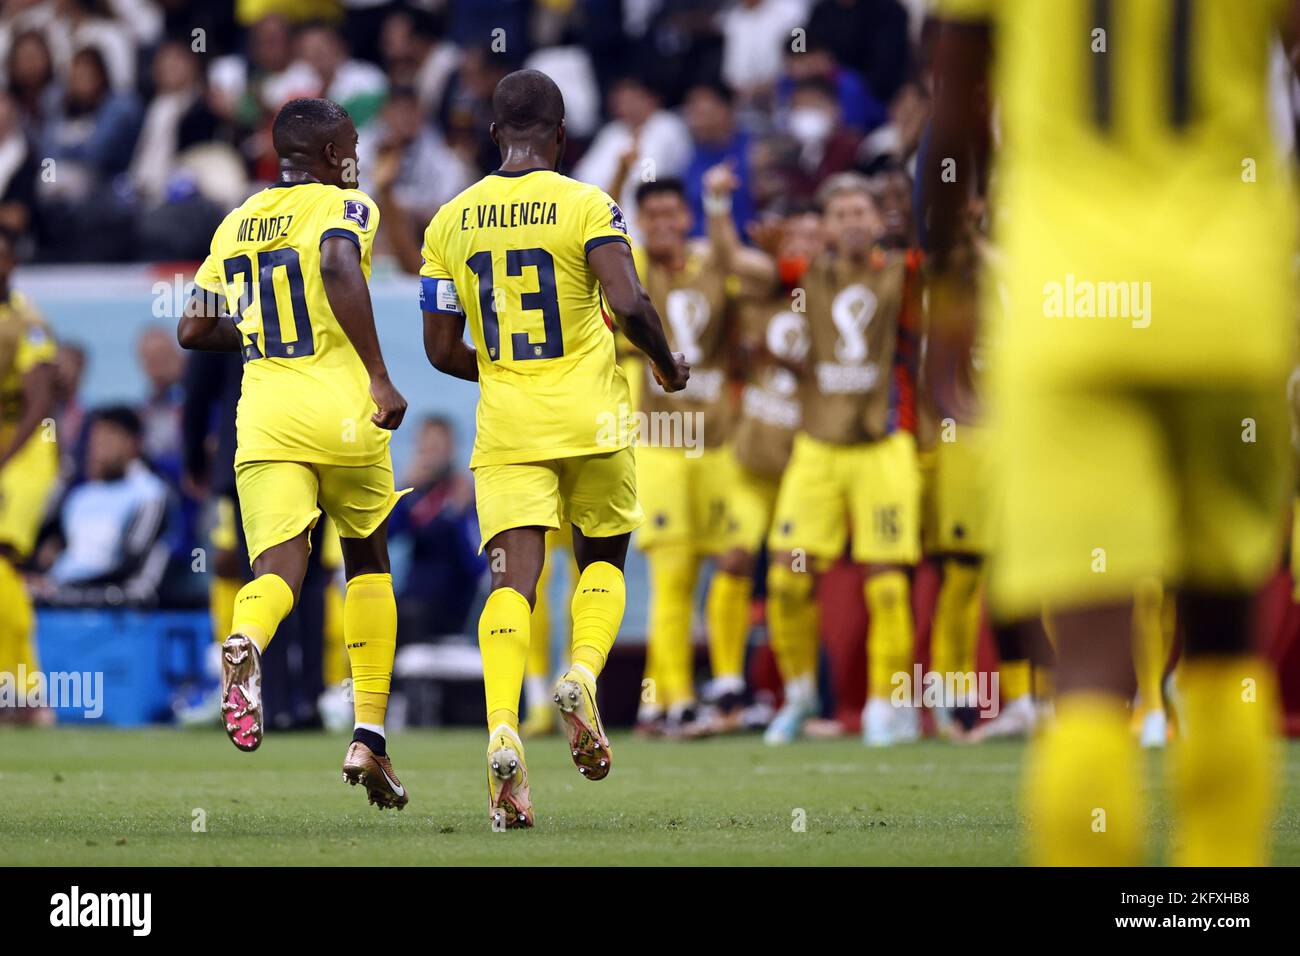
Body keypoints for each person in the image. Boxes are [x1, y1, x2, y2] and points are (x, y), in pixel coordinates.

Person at [926, 0, 1298, 865]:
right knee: (1222, 633)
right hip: (1228, 301)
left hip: (1070, 307)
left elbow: (952, 115)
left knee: (1089, 658)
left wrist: (947, 287)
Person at [420, 69, 687, 829]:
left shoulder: (449, 221)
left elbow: (440, 349)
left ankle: (504, 721)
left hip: (507, 427)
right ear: (562, 136)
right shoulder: (588, 204)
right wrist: (667, 365)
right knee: (601, 563)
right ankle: (580, 674)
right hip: (592, 422)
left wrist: (505, 370)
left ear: (494, 133)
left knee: (512, 584)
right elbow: (630, 302)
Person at [177, 97, 411, 812]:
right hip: (341, 409)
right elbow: (340, 264)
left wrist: (257, 333)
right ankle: (367, 731)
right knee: (367, 561)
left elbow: (193, 326)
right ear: (333, 151)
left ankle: (246, 637)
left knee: (278, 567)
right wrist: (376, 371)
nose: (359, 155)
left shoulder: (237, 220)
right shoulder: (348, 206)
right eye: (353, 143)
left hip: (266, 416)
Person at [765, 172, 922, 747]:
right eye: (842, 214)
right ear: (825, 226)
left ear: (878, 219)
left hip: (883, 446)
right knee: (786, 579)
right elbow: (749, 266)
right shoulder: (803, 276)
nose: (853, 221)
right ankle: (800, 696)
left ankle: (887, 706)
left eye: (862, 211)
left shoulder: (907, 270)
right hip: (817, 449)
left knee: (885, 586)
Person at [627, 176, 741, 736]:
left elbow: (745, 270)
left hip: (718, 445)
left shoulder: (713, 264)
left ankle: (718, 689)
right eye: (655, 216)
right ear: (641, 221)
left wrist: (720, 206)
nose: (665, 224)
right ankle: (675, 699)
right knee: (671, 575)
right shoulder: (628, 273)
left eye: (675, 213)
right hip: (661, 445)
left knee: (721, 567)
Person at [0, 226, 57, 720]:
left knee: (3, 554)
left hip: (27, 449)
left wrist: (4, 459)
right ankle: (20, 693)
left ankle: (24, 692)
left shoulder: (26, 321)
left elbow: (40, 401)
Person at [41, 406, 169, 603]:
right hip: (62, 596)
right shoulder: (79, 497)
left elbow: (132, 565)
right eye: (95, 441)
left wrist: (65, 588)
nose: (99, 450)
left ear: (132, 444)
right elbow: (52, 551)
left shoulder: (150, 494)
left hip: (113, 603)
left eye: (108, 440)